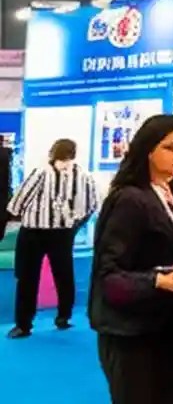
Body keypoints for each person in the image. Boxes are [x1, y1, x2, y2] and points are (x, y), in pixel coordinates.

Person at [90, 114, 173, 403]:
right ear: (147, 149)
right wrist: (158, 281)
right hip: (135, 334)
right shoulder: (129, 199)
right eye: (171, 147)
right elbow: (109, 277)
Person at [7, 138, 99, 338]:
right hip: (54, 232)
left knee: (30, 277)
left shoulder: (43, 173)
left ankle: (25, 324)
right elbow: (92, 206)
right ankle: (60, 317)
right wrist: (74, 225)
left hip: (39, 231)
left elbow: (17, 203)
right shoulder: (82, 176)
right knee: (60, 275)